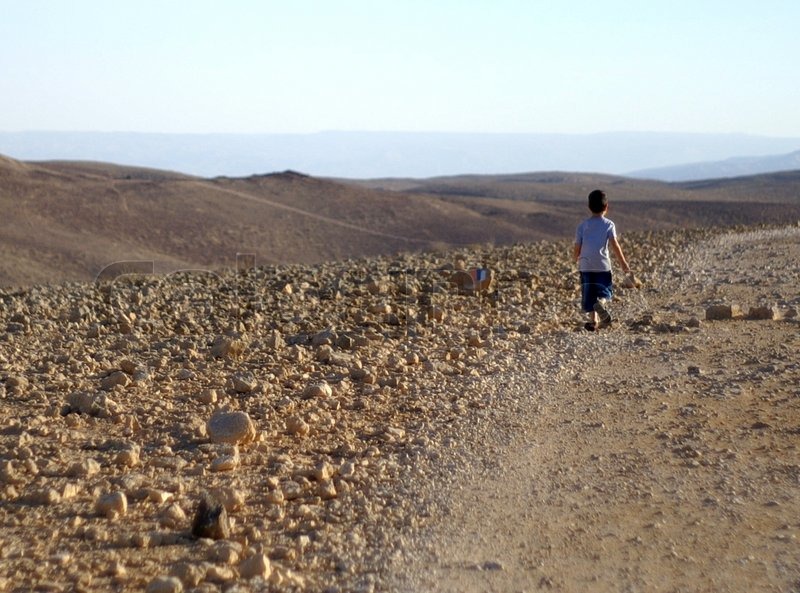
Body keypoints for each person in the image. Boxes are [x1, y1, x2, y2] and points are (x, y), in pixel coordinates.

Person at [573, 189, 631, 331]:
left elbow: (577, 246)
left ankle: (593, 321)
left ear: (589, 207)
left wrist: (575, 258)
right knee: (605, 290)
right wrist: (623, 263)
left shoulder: (582, 226)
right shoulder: (609, 224)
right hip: (602, 265)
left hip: (586, 265)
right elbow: (615, 245)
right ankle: (602, 302)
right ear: (606, 207)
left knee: (589, 293)